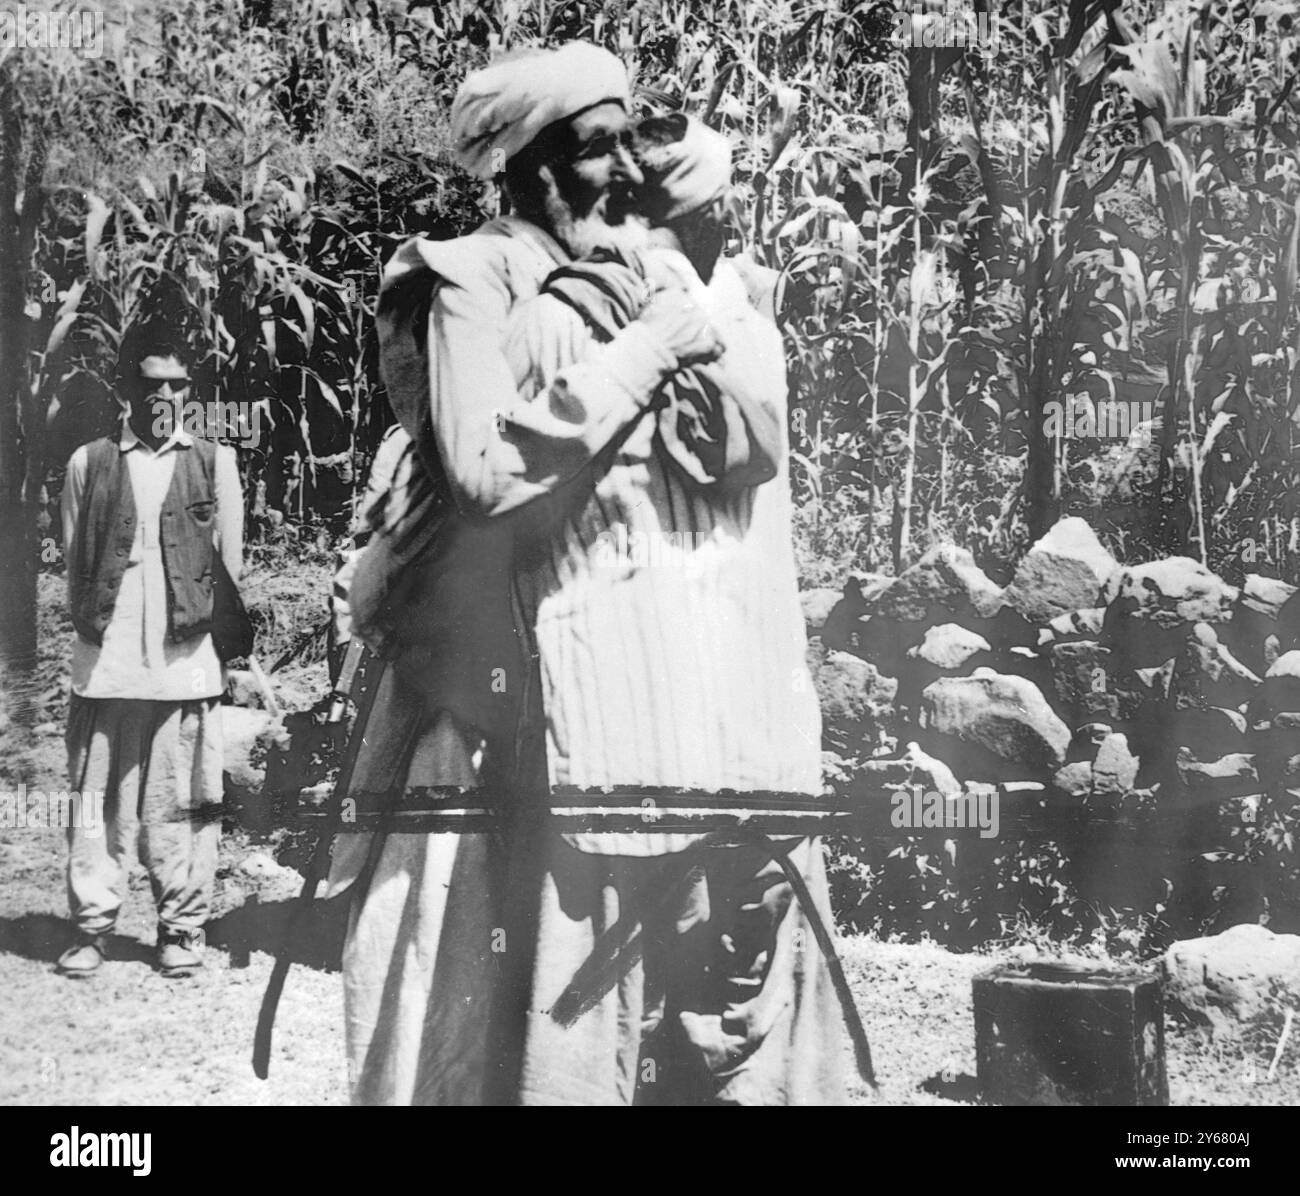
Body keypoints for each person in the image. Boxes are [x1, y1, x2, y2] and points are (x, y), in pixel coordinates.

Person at [334, 41, 845, 1104]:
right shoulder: (463, 280)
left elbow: (741, 453)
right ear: (521, 163)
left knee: (675, 993)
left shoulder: (645, 271)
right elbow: (479, 468)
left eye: (624, 147)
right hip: (498, 701)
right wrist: (641, 351)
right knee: (497, 1005)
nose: (617, 174)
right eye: (591, 149)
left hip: (648, 694)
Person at [57, 322, 244, 979]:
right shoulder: (90, 463)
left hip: (184, 666)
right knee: (96, 806)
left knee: (184, 805)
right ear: (125, 387)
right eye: (149, 381)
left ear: (192, 389)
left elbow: (230, 571)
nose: (163, 394)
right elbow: (79, 557)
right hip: (105, 666)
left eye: (177, 382)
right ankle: (92, 929)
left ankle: (182, 929)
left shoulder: (217, 462)